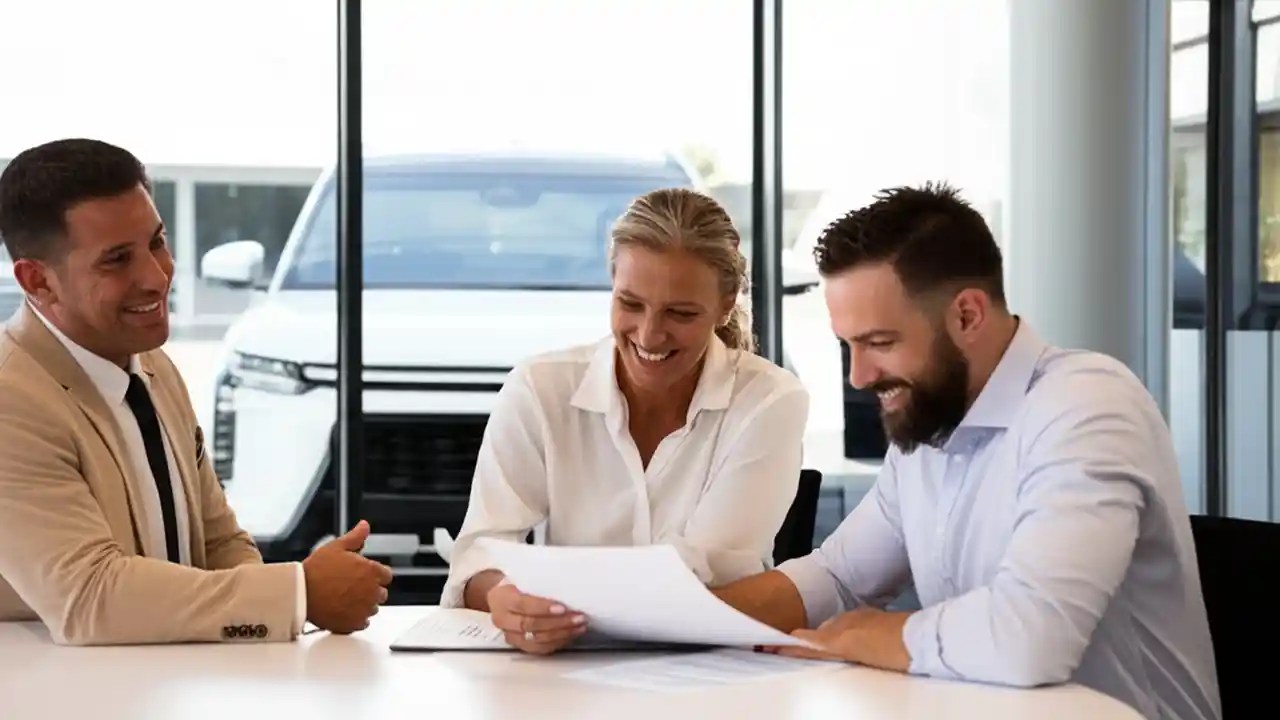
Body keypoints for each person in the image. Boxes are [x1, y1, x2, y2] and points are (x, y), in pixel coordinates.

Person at [711, 183, 1221, 720]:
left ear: (968, 316)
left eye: (880, 343)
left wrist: (874, 634)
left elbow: (1030, 638)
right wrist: (681, 621)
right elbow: (838, 578)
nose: (859, 376)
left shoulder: (1087, 405)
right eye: (849, 345)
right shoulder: (931, 421)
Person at [0, 138, 393, 645]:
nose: (156, 275)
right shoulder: (12, 397)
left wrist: (274, 633)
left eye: (157, 243)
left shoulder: (153, 366)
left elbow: (218, 541)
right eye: (117, 260)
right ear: (38, 281)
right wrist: (298, 595)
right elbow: (89, 597)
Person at [441, 187, 810, 654]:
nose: (650, 334)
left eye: (680, 313)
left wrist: (559, 593)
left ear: (725, 303)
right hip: (564, 677)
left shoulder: (769, 401)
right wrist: (503, 598)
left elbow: (696, 576)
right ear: (612, 282)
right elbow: (478, 551)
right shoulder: (540, 388)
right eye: (630, 304)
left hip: (713, 672)